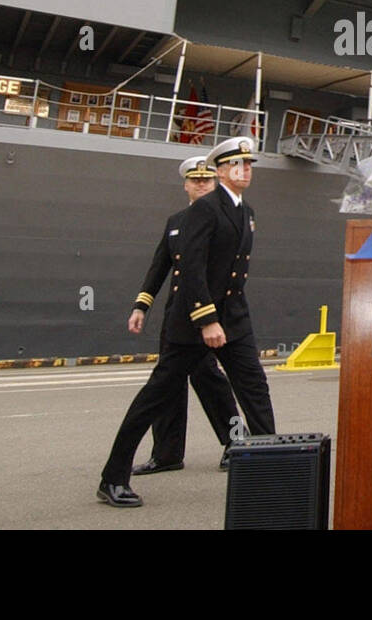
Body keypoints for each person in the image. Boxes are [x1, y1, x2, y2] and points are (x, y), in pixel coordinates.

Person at [97, 137, 275, 507]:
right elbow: (189, 267)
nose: (245, 170)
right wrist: (206, 319)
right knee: (156, 395)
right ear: (221, 170)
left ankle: (269, 471)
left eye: (249, 164)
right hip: (194, 324)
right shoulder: (204, 210)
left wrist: (228, 319)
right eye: (237, 165)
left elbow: (234, 271)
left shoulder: (248, 212)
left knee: (255, 391)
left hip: (235, 321)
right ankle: (113, 478)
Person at [129, 156, 240, 475]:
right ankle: (166, 454)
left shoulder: (226, 218)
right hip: (177, 315)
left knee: (211, 380)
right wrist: (141, 305)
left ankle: (236, 442)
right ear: (186, 185)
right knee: (167, 384)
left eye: (207, 180)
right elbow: (159, 266)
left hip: (209, 316)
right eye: (196, 180)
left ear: (216, 183)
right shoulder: (176, 222)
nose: (201, 184)